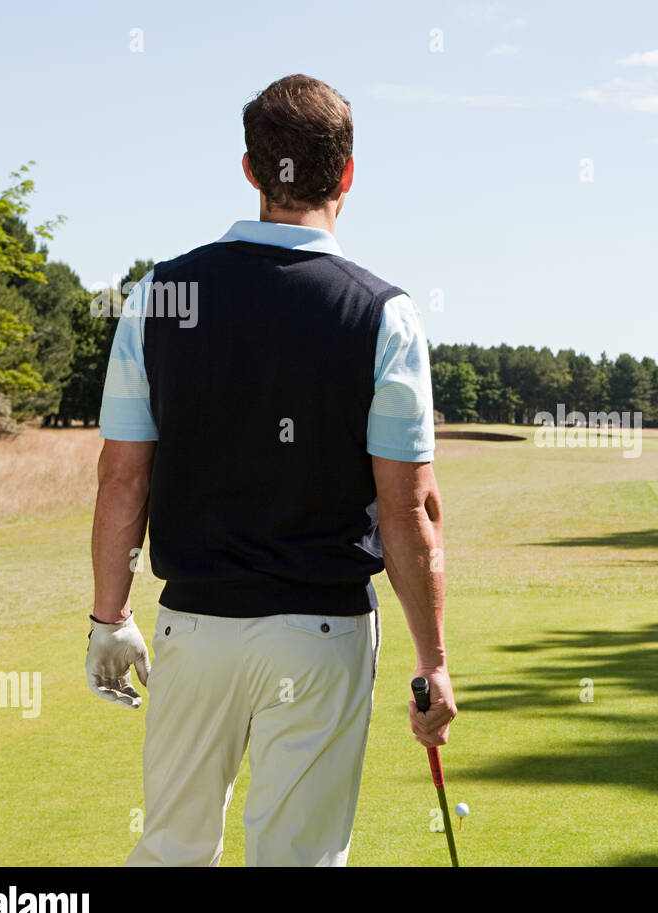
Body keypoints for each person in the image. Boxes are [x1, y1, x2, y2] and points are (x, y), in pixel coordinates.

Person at [86, 73, 456, 866]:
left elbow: (122, 480)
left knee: (171, 853)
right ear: (349, 174)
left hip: (194, 630)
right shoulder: (384, 315)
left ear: (251, 170)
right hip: (321, 635)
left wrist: (108, 617)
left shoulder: (160, 295)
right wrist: (433, 664)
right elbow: (410, 511)